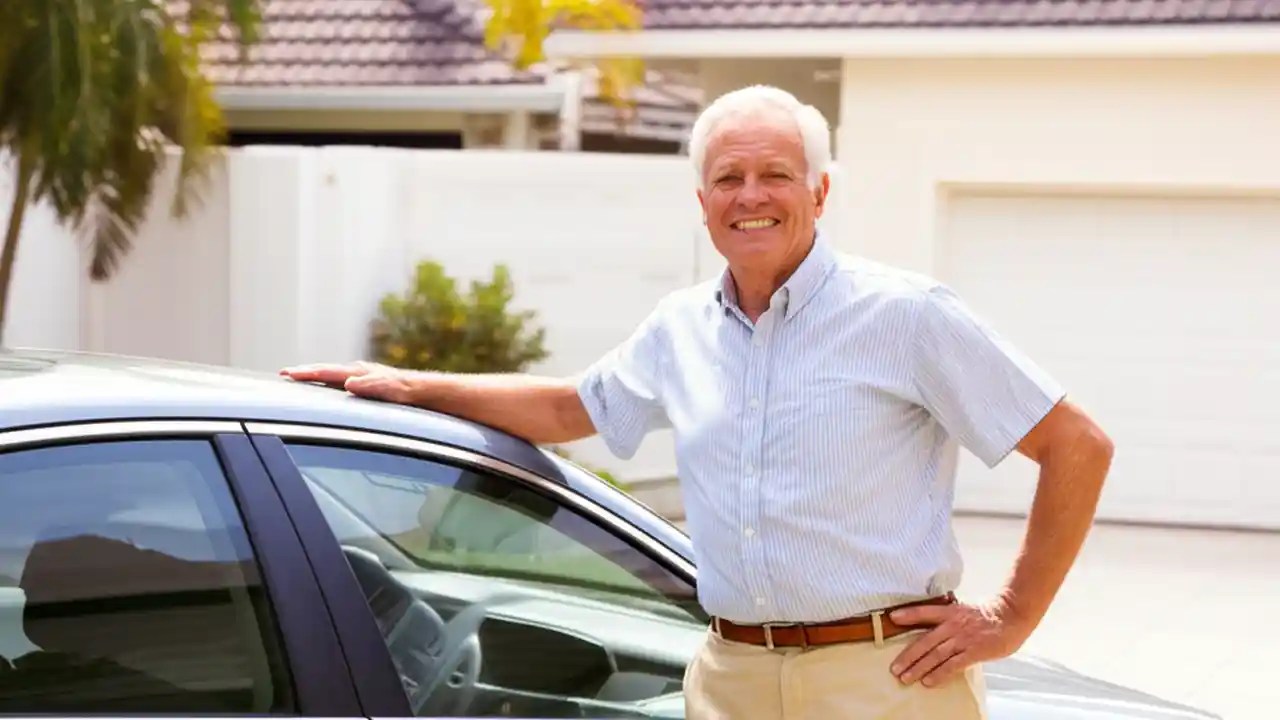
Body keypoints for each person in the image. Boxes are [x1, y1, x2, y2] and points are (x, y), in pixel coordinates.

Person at [279, 85, 1114, 720]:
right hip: (730, 678)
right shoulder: (680, 327)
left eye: (776, 175)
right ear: (704, 201)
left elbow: (1078, 445)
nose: (751, 195)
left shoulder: (905, 316)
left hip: (883, 680)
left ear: (820, 193)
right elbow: (573, 409)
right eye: (729, 178)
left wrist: (1010, 617)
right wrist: (410, 387)